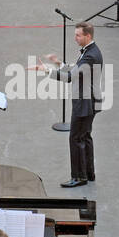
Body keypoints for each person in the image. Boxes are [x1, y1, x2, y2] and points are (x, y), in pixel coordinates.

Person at [40, 21, 102, 188]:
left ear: (87, 36)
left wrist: (46, 71)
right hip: (91, 101)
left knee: (75, 138)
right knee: (85, 136)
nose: (75, 38)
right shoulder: (90, 51)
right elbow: (75, 70)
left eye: (78, 35)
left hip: (84, 103)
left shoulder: (90, 55)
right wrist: (58, 63)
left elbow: (69, 78)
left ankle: (79, 177)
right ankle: (89, 173)